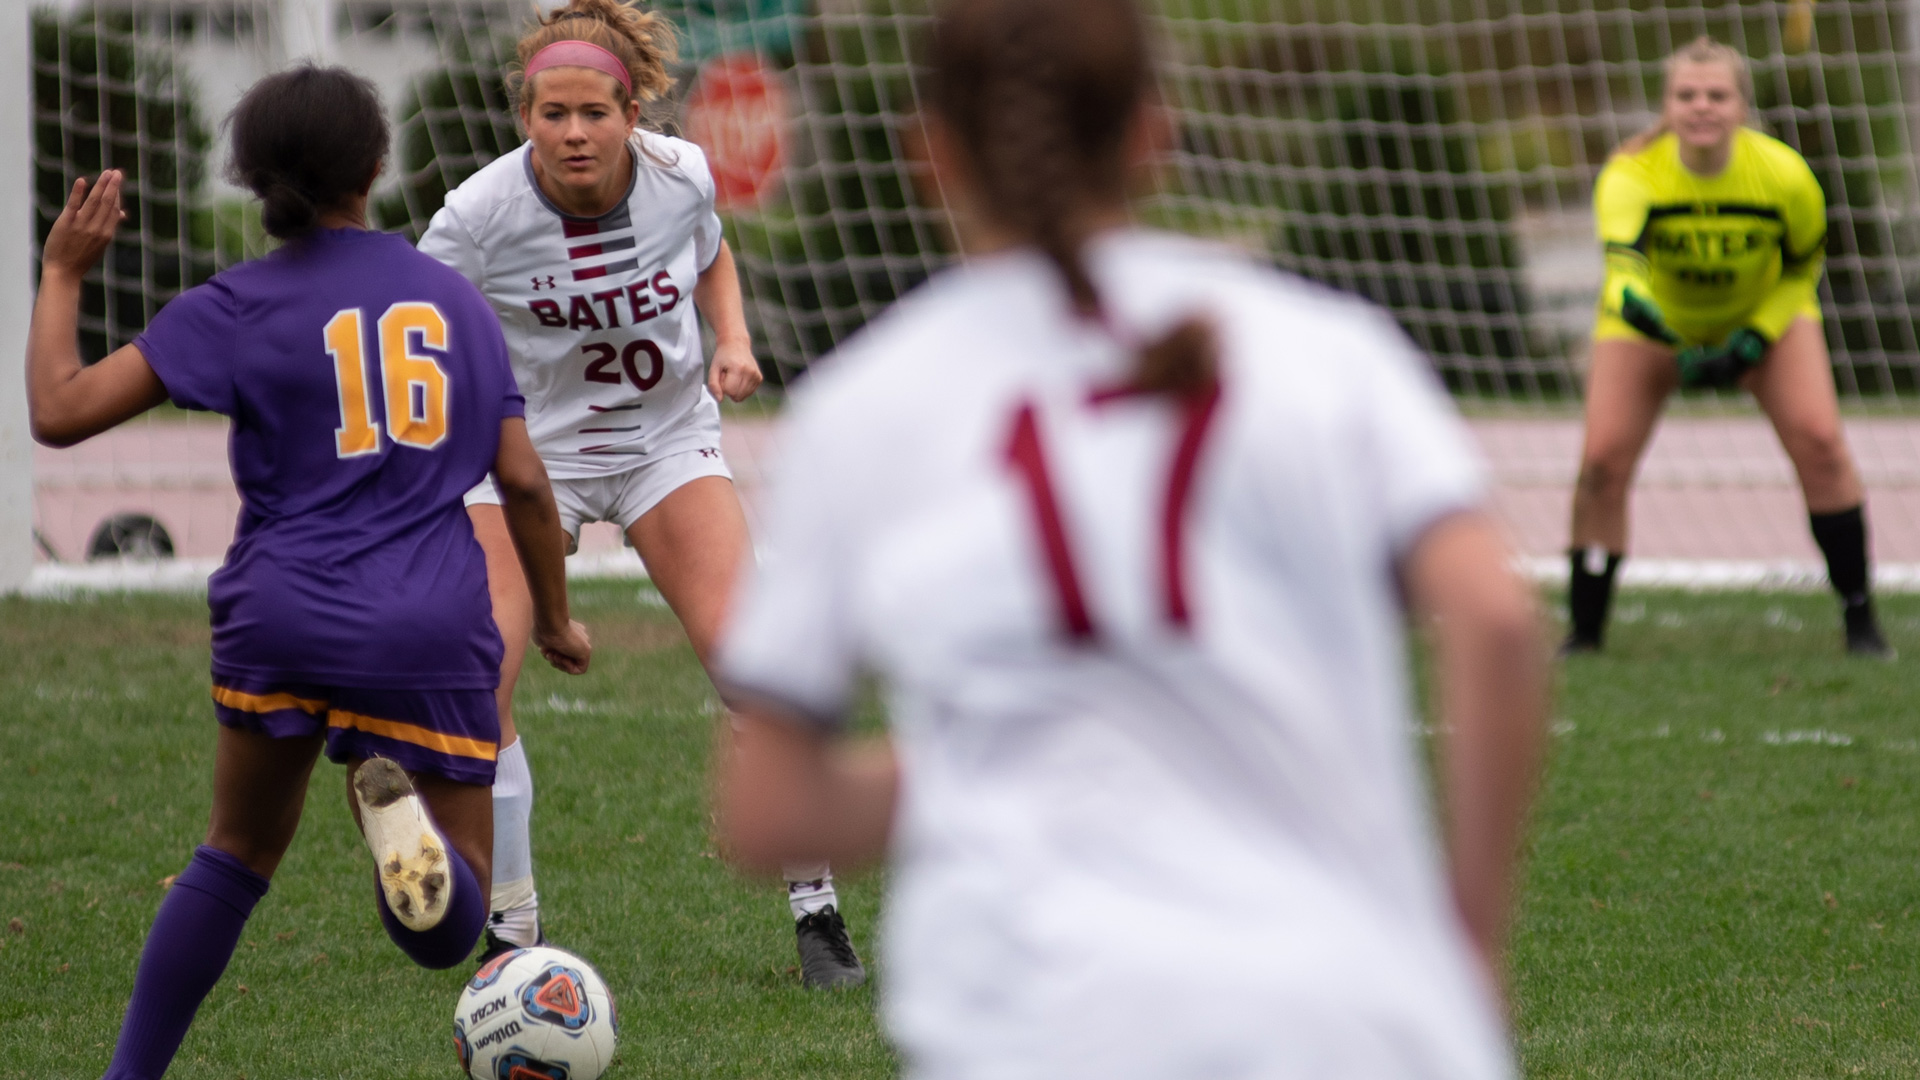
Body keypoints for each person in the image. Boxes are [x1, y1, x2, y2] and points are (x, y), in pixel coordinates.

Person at [711, 0, 1549, 1074]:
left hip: (1041, 1021)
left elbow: (768, 807)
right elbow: (1497, 618)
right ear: (1155, 128)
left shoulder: (866, 407)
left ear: (932, 153)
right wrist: (1468, 939)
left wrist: (1027, 750)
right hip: (1352, 1016)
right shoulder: (1328, 348)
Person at [25, 67, 590, 1079]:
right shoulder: (452, 300)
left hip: (281, 609)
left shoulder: (236, 304)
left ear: (254, 180)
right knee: (449, 926)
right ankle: (398, 821)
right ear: (378, 168)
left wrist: (64, 273)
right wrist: (553, 614)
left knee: (234, 853)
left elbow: (60, 411)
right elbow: (525, 484)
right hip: (424, 620)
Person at [415, 0, 865, 988]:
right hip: (530, 460)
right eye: (552, 114)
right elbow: (416, 329)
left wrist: (734, 340)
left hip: (666, 444)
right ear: (523, 115)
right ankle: (515, 930)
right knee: (478, 669)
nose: (574, 133)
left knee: (754, 663)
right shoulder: (476, 217)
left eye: (594, 113)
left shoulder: (683, 175)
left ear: (633, 112)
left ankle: (818, 914)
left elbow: (710, 256)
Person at [1567, 36, 1889, 656]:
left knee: (1823, 445)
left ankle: (1862, 621)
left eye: (1717, 94)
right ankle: (1585, 633)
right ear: (1667, 106)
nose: (1702, 107)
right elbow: (1625, 272)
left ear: (1741, 104)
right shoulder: (1631, 173)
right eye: (1686, 95)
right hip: (1652, 325)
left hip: (1763, 319)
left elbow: (1802, 270)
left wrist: (1754, 339)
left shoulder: (1785, 176)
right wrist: (1661, 332)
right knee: (1602, 462)